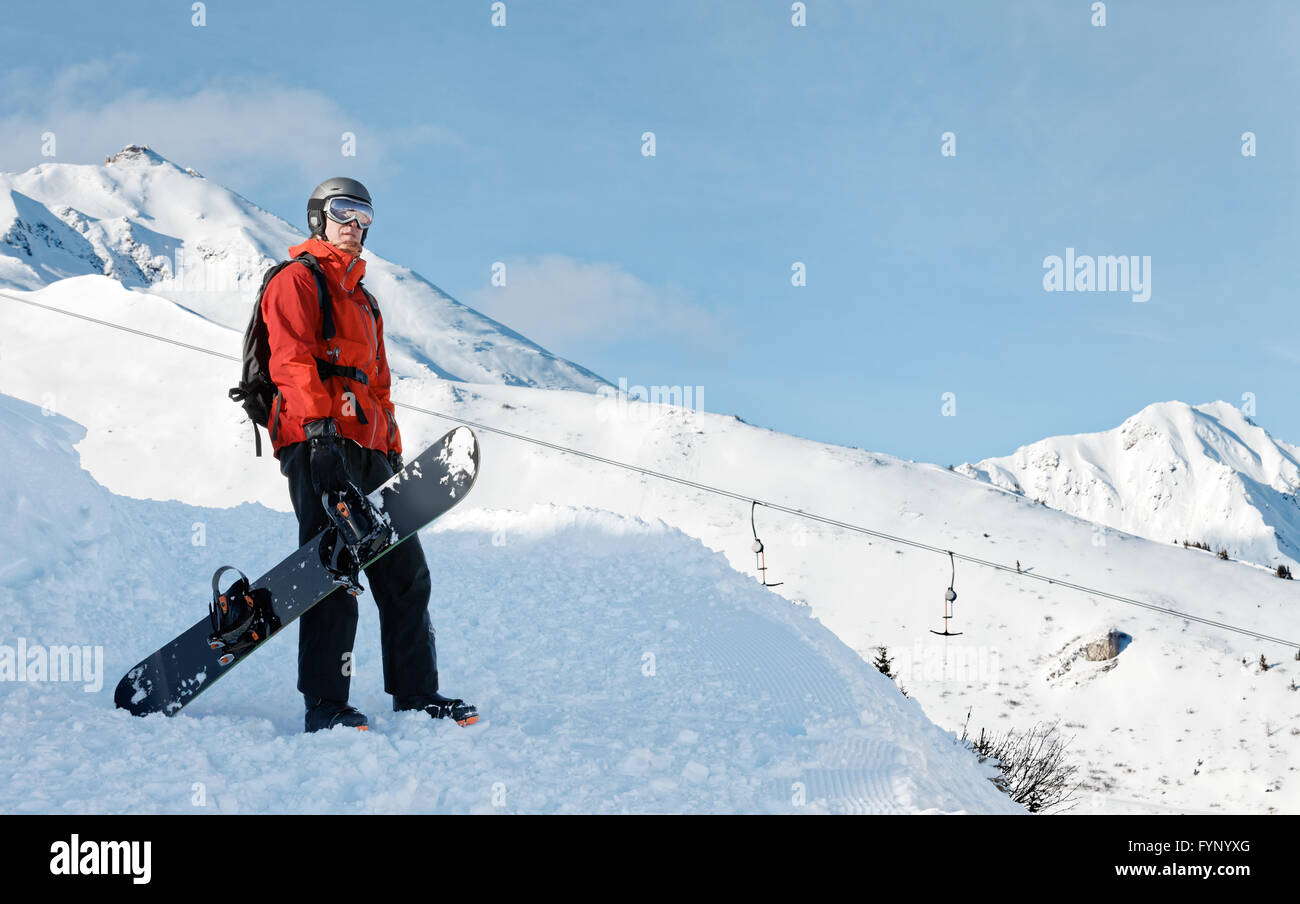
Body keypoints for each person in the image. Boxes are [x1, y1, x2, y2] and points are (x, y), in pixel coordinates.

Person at [261, 177, 477, 732]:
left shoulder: (365, 301)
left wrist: (392, 452)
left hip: (368, 448)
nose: (355, 227)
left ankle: (416, 693)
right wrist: (321, 434)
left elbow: (378, 385)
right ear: (317, 218)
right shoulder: (296, 280)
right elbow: (291, 362)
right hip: (319, 444)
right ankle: (326, 704)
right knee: (332, 571)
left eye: (365, 217)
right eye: (343, 213)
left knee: (405, 572)